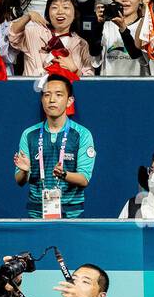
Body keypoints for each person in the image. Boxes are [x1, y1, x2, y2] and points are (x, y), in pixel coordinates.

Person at [13, 71, 96, 218]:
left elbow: (84, 179)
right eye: (46, 95)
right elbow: (19, 180)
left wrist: (64, 174)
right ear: (42, 100)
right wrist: (25, 171)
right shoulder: (29, 134)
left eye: (58, 94)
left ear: (69, 101)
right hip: (36, 214)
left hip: (72, 215)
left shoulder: (82, 134)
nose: (52, 100)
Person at [10, 0, 93, 76]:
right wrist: (27, 16)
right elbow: (13, 35)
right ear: (48, 13)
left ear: (75, 14)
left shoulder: (81, 44)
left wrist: (75, 70)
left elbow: (89, 79)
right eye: (54, 7)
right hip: (33, 88)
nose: (60, 11)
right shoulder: (34, 32)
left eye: (65, 7)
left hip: (64, 89)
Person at [93, 0, 146, 77]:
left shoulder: (145, 26)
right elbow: (94, 53)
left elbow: (138, 56)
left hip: (137, 86)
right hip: (109, 86)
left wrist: (123, 28)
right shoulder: (106, 26)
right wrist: (98, 25)